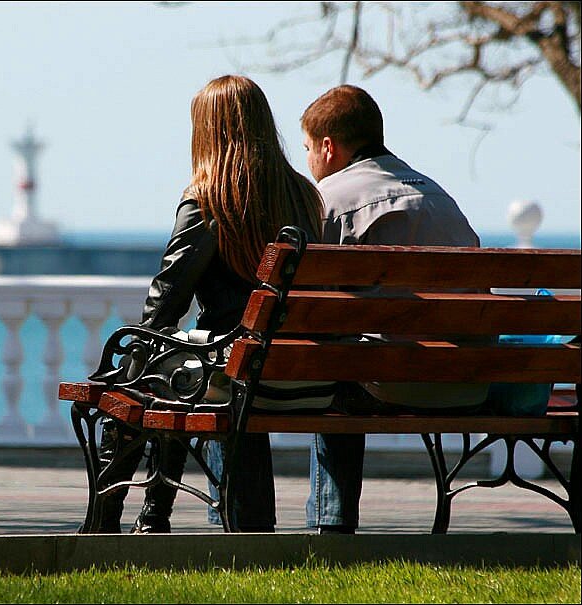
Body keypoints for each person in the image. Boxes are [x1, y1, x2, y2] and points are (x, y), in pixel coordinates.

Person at [94, 74, 325, 534]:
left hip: (236, 373)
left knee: (145, 377)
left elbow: (165, 303)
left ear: (207, 131)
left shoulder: (208, 199)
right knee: (180, 369)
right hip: (303, 375)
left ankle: (110, 523)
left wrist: (128, 365)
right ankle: (159, 518)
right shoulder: (304, 195)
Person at [299, 84, 487, 534]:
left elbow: (310, 310)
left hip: (385, 384)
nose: (307, 161)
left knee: (336, 371)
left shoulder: (329, 201)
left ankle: (332, 529)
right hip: (465, 382)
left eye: (307, 149)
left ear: (329, 147)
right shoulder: (441, 197)